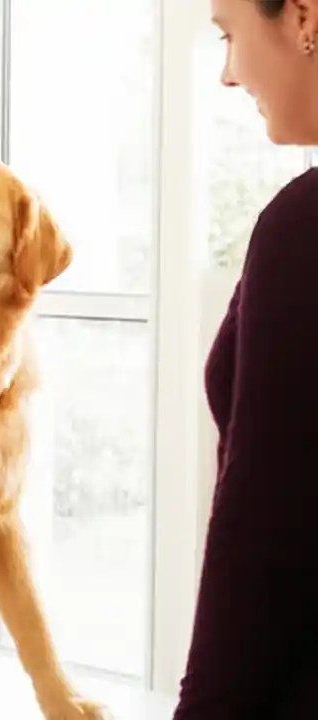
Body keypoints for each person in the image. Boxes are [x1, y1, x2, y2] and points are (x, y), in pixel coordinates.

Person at [175, 1, 318, 717]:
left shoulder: (305, 228)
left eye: (230, 34)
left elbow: (263, 537)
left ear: (303, 17)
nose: (229, 75)